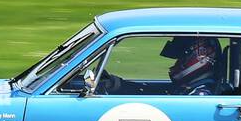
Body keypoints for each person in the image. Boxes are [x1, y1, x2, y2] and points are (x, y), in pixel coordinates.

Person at [96, 37, 224, 96]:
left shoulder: (199, 95)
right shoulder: (190, 87)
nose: (177, 64)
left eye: (182, 58)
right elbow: (160, 92)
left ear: (200, 57)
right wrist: (118, 85)